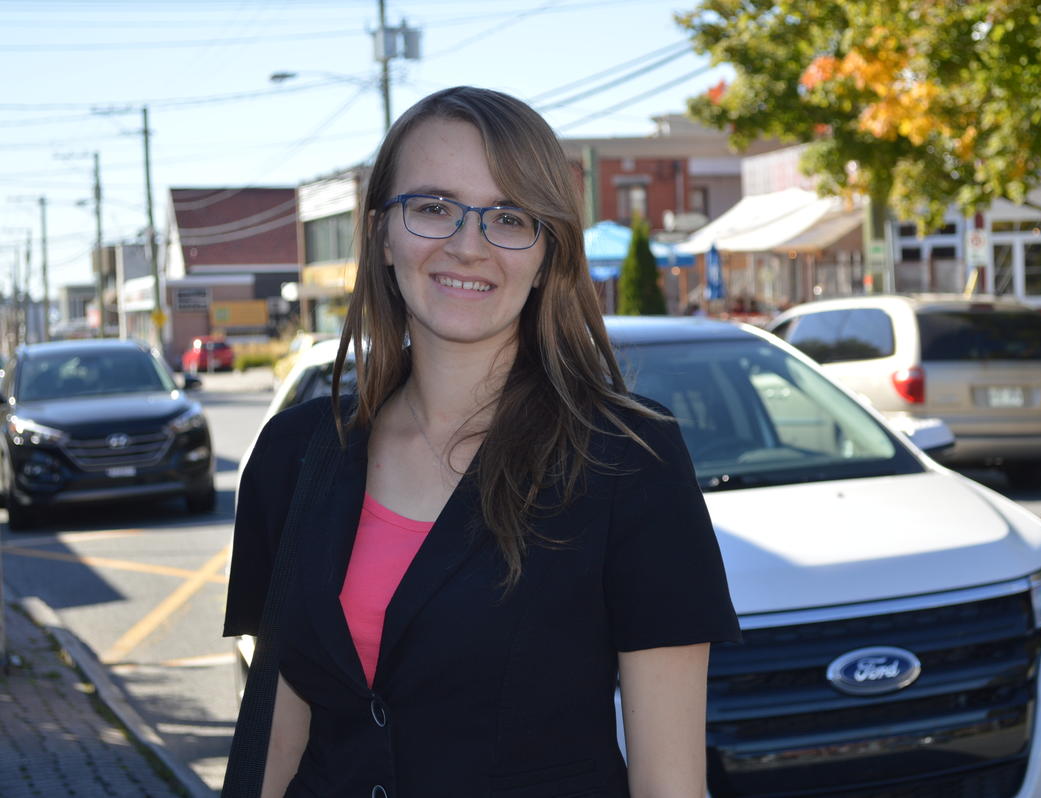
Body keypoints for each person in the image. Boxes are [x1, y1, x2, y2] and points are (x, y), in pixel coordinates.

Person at [224, 86, 739, 798]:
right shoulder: (294, 454)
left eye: (509, 216)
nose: (467, 244)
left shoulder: (626, 458)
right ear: (381, 232)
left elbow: (670, 783)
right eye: (432, 207)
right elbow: (276, 737)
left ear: (548, 249)